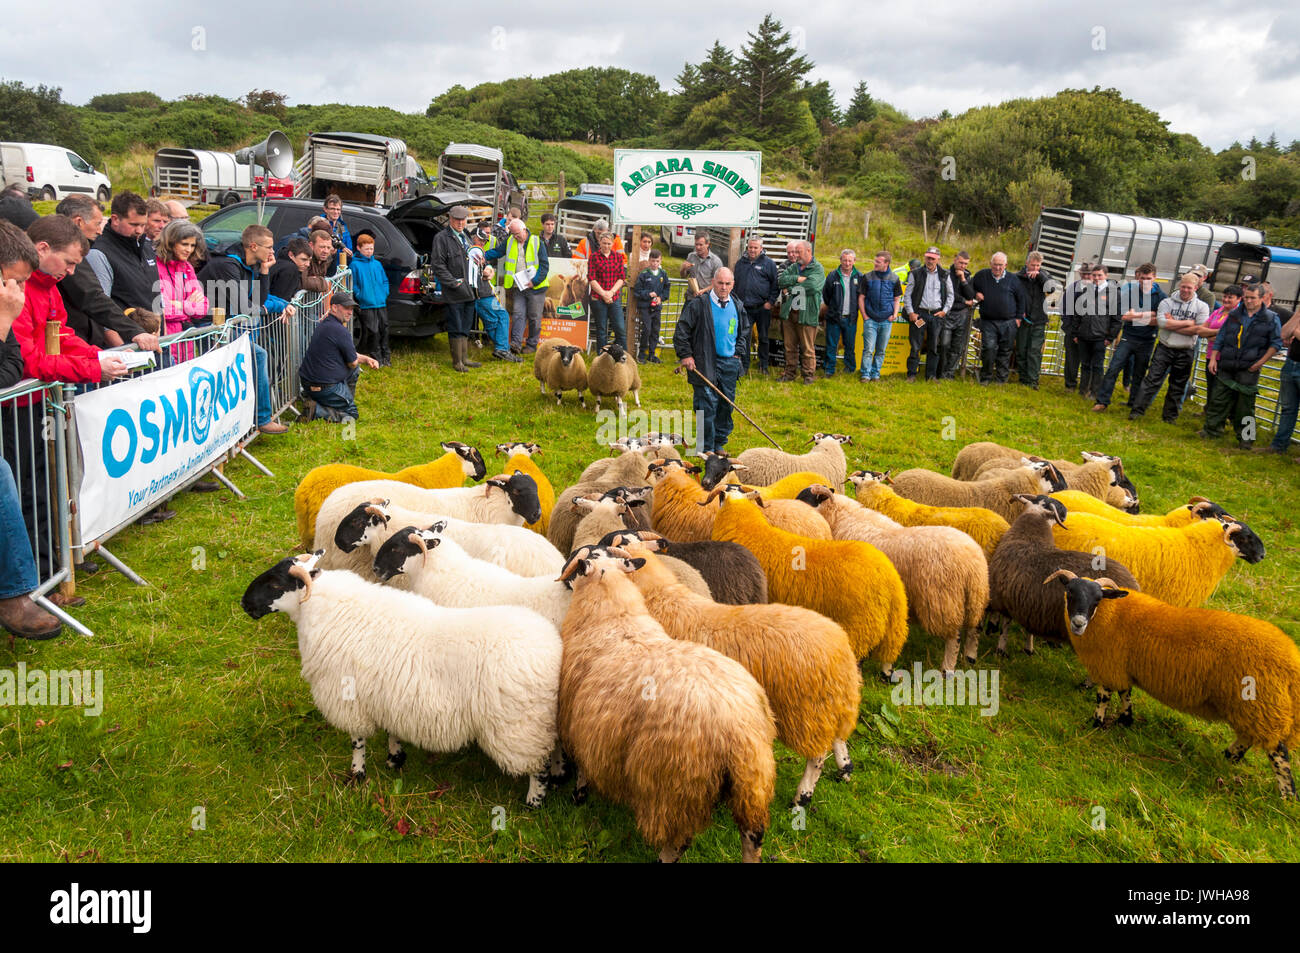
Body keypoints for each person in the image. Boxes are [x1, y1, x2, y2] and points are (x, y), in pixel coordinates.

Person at [11, 216, 130, 575]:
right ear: (43, 249)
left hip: (41, 402)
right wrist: (93, 368)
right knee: (27, 491)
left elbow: (60, 333)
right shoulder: (20, 288)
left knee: (51, 483)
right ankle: (36, 571)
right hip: (17, 407)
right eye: (70, 262)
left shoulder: (48, 286)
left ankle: (55, 558)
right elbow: (29, 359)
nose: (72, 271)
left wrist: (96, 354)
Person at [0, 218, 77, 629]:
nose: (16, 291)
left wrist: (91, 360)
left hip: (27, 402)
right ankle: (19, 593)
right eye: (12, 281)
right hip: (14, 411)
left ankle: (41, 576)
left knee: (33, 483)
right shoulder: (17, 302)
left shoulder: (30, 295)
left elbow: (12, 364)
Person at [196, 224, 291, 433]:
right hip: (205, 327)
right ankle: (260, 418)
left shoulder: (252, 266)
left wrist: (265, 271)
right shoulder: (227, 265)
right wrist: (264, 308)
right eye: (269, 247)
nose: (273, 253)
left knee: (256, 356)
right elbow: (245, 307)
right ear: (253, 246)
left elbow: (257, 300)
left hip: (229, 326)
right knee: (258, 356)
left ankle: (251, 420)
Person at [53, 194, 160, 353]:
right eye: (97, 223)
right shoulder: (95, 252)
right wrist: (131, 335)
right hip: (78, 344)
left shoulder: (145, 247)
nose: (99, 229)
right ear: (78, 222)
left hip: (83, 345)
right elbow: (94, 297)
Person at [674, 268, 750, 456]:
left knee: (726, 405)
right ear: (713, 282)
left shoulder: (738, 305)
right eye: (720, 283)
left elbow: (745, 331)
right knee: (706, 405)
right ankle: (705, 447)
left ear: (733, 284)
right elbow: (682, 330)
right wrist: (686, 355)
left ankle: (718, 444)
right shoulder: (699, 304)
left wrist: (738, 353)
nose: (723, 288)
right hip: (704, 362)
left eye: (727, 284)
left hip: (729, 363)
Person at [1200, 284, 1284, 448]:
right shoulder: (1234, 315)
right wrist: (1213, 358)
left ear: (1262, 298)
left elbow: (1276, 344)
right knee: (1218, 400)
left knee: (1245, 406)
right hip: (1227, 364)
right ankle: (1211, 431)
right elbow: (1221, 337)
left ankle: (1246, 439)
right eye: (1246, 297)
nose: (1249, 301)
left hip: (1249, 368)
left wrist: (1260, 363)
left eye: (1253, 298)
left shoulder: (1270, 318)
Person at [1128, 274, 1211, 424]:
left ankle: (1170, 417)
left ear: (1196, 288)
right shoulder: (1166, 302)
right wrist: (1187, 323)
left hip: (1186, 349)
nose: (1185, 290)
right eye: (1183, 286)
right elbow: (1162, 323)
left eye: (1189, 288)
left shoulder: (1202, 306)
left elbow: (1199, 330)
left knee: (1178, 384)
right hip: (1165, 347)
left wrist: (1173, 323)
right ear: (1179, 285)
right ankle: (1137, 411)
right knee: (1152, 379)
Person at [1092, 263, 1164, 412]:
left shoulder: (1161, 296)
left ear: (1155, 277)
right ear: (1138, 277)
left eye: (1149, 278)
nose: (1145, 281)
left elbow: (1162, 319)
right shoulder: (1130, 292)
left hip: (1147, 340)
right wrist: (1150, 313)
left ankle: (1134, 403)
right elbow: (1123, 315)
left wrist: (1136, 315)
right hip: (1128, 337)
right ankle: (1102, 401)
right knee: (1113, 368)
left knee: (1139, 373)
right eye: (1142, 278)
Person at [298, 291, 380, 422]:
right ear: (334, 307)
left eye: (352, 309)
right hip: (324, 387)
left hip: (308, 383)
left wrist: (366, 359)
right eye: (346, 308)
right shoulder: (340, 331)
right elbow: (352, 362)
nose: (350, 312)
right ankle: (316, 411)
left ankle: (336, 400)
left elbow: (351, 355)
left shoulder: (324, 324)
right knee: (352, 415)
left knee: (354, 370)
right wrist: (357, 360)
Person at [486, 217, 549, 354]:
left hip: (536, 288)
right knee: (518, 314)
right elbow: (497, 252)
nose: (515, 237)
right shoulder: (510, 241)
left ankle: (531, 346)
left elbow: (544, 266)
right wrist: (482, 255)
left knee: (534, 317)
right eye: (513, 234)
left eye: (517, 234)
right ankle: (515, 344)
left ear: (524, 230)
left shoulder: (537, 242)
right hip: (519, 286)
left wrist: (535, 281)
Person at [429, 204, 477, 372]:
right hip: (454, 290)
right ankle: (457, 362)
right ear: (450, 219)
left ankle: (464, 358)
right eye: (457, 220)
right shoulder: (441, 238)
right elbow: (438, 265)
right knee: (455, 325)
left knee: (465, 324)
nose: (460, 223)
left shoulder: (467, 236)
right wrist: (452, 282)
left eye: (463, 220)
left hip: (470, 289)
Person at [155, 218, 209, 364]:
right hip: (166, 339)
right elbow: (161, 308)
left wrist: (180, 305)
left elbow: (203, 307)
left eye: (192, 245)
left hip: (185, 340)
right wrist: (188, 306)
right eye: (184, 244)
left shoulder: (187, 267)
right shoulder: (155, 266)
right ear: (171, 242)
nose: (189, 249)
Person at [467, 224, 522, 363]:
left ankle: (502, 348)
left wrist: (489, 268)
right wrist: (487, 270)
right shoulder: (473, 251)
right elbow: (479, 269)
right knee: (497, 318)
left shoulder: (477, 251)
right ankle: (502, 349)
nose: (483, 243)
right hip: (481, 294)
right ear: (473, 239)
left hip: (485, 293)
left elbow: (485, 266)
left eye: (484, 241)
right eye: (480, 240)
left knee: (497, 319)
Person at [969, 252, 1027, 384]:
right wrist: (976, 293)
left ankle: (1001, 379)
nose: (997, 268)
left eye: (1000, 265)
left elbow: (1021, 299)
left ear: (1005, 265)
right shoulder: (981, 276)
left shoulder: (1013, 279)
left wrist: (1018, 319)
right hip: (989, 321)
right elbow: (968, 288)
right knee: (989, 348)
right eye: (995, 264)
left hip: (1009, 322)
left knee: (1005, 351)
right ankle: (986, 377)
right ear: (990, 264)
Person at [777, 240, 825, 384]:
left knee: (807, 347)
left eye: (799, 252)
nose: (796, 255)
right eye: (795, 252)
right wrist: (797, 278)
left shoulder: (817, 268)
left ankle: (808, 375)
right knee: (789, 346)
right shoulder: (794, 267)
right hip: (789, 312)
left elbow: (812, 286)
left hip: (806, 314)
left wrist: (790, 289)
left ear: (808, 251)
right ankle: (790, 373)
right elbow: (781, 281)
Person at [903, 246, 953, 382]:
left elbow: (950, 295)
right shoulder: (915, 273)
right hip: (920, 315)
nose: (930, 261)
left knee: (934, 346)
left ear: (938, 259)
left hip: (936, 316)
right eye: (928, 258)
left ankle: (931, 376)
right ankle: (911, 374)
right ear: (924, 257)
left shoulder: (945, 274)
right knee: (915, 345)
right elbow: (907, 295)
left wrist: (945, 311)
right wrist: (911, 313)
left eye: (933, 258)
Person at [733, 236, 780, 374]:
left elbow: (775, 285)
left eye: (755, 248)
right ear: (747, 247)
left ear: (761, 248)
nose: (752, 250)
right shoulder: (741, 263)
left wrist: (770, 302)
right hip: (745, 307)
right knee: (745, 337)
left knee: (763, 337)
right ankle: (744, 366)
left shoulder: (769, 263)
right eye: (750, 247)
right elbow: (735, 283)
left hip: (762, 307)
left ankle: (763, 365)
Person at [1073, 265, 1117, 401]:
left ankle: (1094, 392)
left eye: (1100, 275)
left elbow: (1116, 318)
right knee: (1085, 364)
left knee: (1097, 365)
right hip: (1084, 334)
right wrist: (1076, 332)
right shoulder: (1085, 290)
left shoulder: (1113, 293)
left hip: (1100, 336)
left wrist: (1110, 337)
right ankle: (1083, 389)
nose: (1096, 278)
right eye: (1094, 275)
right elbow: (1077, 313)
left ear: (1106, 276)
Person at [1262, 302, 1300, 457]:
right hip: (1291, 363)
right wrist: (1298, 315)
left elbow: (1294, 333)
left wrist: (1296, 331)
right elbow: (1283, 334)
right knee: (1288, 408)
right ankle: (1278, 445)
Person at [858, 250, 902, 382]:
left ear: (886, 263)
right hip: (870, 320)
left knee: (881, 350)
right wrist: (865, 316)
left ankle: (876, 374)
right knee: (868, 349)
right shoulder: (867, 277)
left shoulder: (895, 278)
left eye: (878, 262)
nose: (875, 263)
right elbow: (861, 298)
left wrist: (894, 314)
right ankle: (865, 374)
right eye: (875, 261)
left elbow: (896, 298)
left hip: (886, 321)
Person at [350, 230, 392, 367]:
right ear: (358, 248)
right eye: (366, 249)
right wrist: (361, 296)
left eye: (371, 249)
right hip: (367, 304)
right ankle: (376, 357)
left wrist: (384, 293)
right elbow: (354, 285)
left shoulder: (377, 264)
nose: (369, 251)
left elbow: (385, 280)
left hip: (380, 302)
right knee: (373, 331)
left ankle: (387, 357)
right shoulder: (354, 265)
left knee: (384, 329)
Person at [1200, 284, 1241, 411]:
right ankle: (1209, 410)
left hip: (1225, 357)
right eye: (1225, 296)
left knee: (1221, 388)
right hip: (1211, 354)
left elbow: (1231, 336)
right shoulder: (1218, 311)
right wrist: (1218, 333)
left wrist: (1212, 334)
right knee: (1211, 384)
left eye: (1231, 297)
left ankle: (1221, 413)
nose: (1226, 300)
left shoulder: (1238, 315)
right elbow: (1201, 330)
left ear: (1239, 299)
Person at [822, 248, 863, 377]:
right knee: (831, 345)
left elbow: (861, 296)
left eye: (849, 260)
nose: (847, 263)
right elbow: (826, 295)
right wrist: (833, 308)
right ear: (840, 260)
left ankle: (850, 369)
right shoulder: (832, 275)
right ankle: (829, 370)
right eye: (844, 260)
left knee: (849, 345)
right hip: (834, 317)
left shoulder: (860, 277)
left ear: (854, 261)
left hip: (850, 318)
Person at [1014, 251, 1050, 388]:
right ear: (1027, 263)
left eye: (1038, 266)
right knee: (1022, 350)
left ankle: (1033, 380)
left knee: (1035, 351)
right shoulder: (1018, 277)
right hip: (1023, 320)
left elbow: (1052, 288)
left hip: (1039, 320)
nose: (1035, 268)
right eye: (1033, 265)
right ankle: (1023, 378)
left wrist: (1040, 276)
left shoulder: (1044, 276)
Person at [938, 251, 976, 380]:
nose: (963, 266)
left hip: (962, 315)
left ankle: (950, 373)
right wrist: (964, 301)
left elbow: (971, 295)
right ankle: (941, 372)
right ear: (955, 260)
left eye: (965, 263)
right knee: (944, 344)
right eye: (961, 262)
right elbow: (949, 294)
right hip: (947, 313)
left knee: (957, 346)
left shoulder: (968, 276)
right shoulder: (945, 274)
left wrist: (963, 280)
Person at [586, 232, 627, 351]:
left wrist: (611, 293)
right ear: (599, 242)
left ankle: (623, 354)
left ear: (613, 244)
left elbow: (621, 277)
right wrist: (604, 294)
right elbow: (591, 278)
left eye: (609, 243)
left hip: (614, 297)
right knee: (601, 329)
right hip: (598, 298)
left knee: (620, 328)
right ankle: (602, 356)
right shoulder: (594, 257)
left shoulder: (618, 257)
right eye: (604, 243)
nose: (606, 246)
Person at [1060, 261, 1094, 391]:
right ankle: (1070, 385)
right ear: (1080, 274)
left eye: (1089, 274)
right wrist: (1071, 332)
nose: (1086, 277)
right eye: (1084, 274)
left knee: (1089, 361)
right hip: (1073, 332)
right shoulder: (1072, 288)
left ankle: (1086, 387)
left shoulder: (1099, 290)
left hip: (1092, 333)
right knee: (1071, 360)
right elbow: (1065, 311)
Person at [632, 249, 669, 363]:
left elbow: (666, 289)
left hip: (656, 307)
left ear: (660, 261)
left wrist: (660, 298)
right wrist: (647, 294)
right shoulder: (644, 274)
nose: (654, 264)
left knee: (655, 330)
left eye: (657, 261)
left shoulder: (663, 274)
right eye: (652, 261)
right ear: (649, 261)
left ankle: (652, 354)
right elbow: (637, 291)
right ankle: (642, 354)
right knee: (647, 329)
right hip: (645, 307)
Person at [680, 232, 723, 299]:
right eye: (696, 244)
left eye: (701, 245)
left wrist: (703, 291)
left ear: (708, 244)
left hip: (706, 299)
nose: (698, 247)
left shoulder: (716, 261)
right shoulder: (691, 256)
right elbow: (683, 276)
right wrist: (683, 268)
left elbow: (718, 283)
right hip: (690, 297)